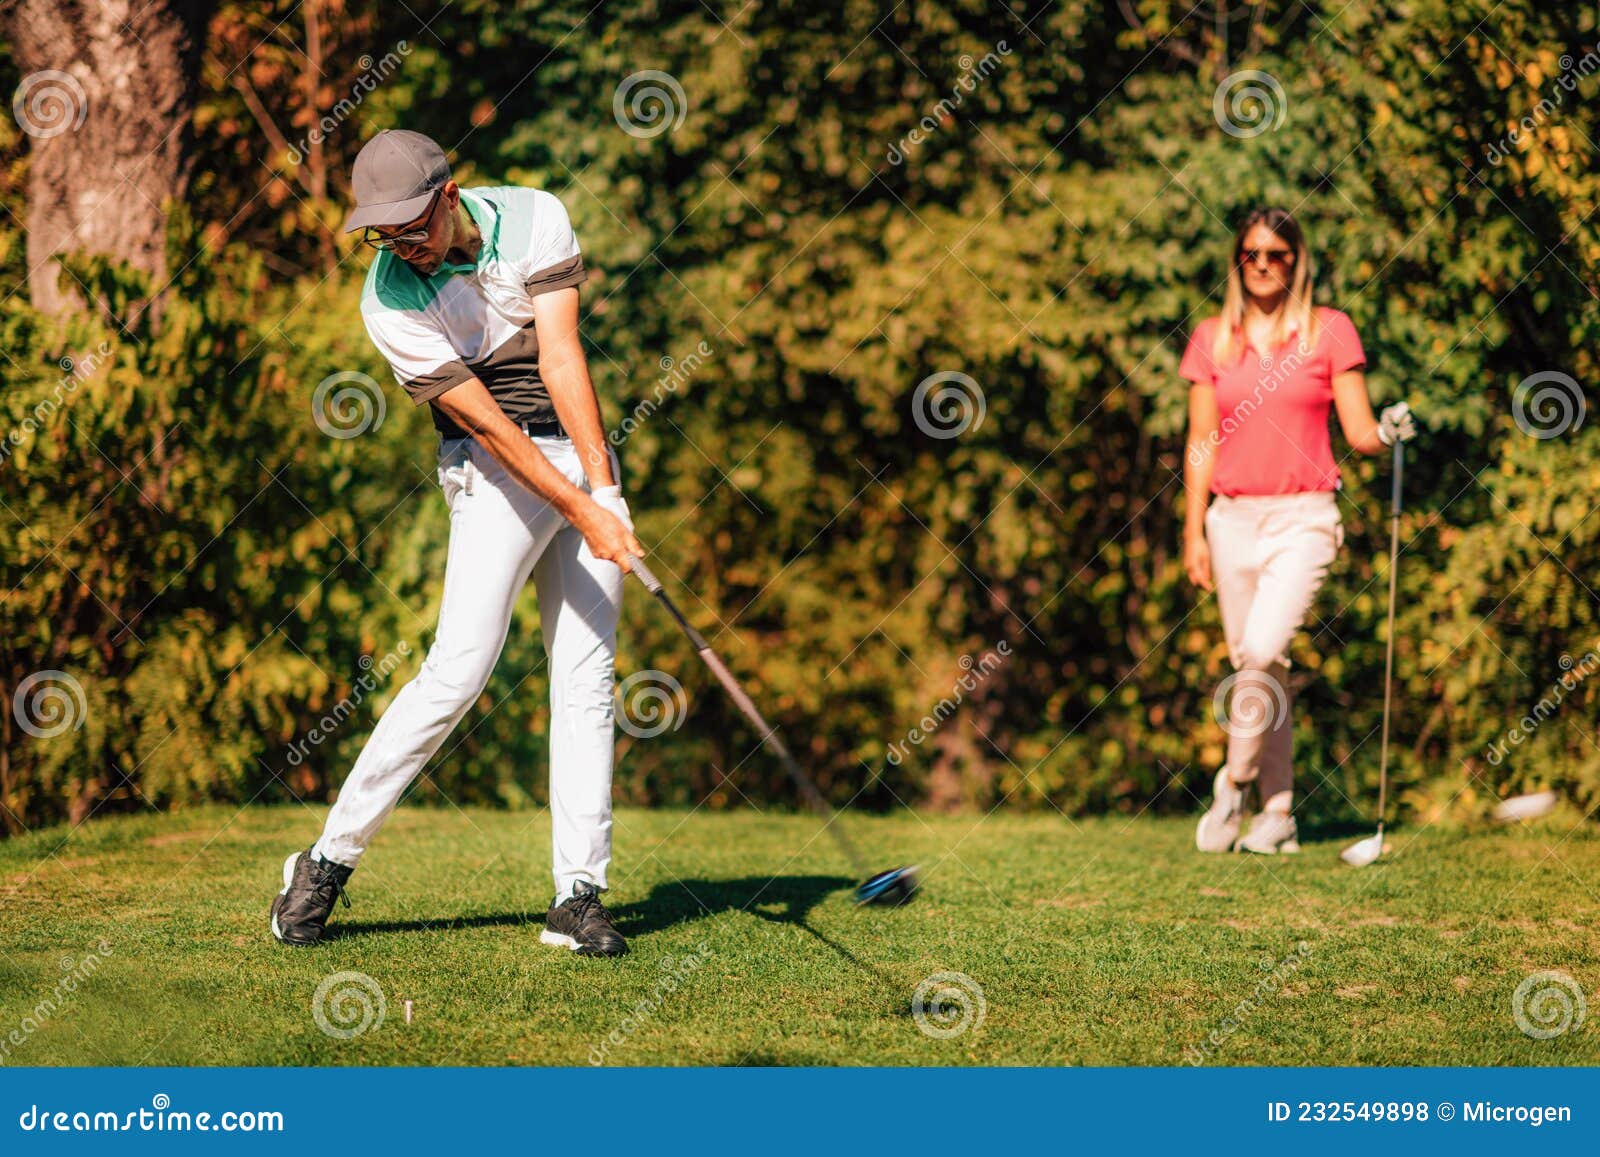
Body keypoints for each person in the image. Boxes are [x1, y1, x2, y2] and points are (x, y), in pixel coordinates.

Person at [269, 129, 644, 954]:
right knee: (457, 672)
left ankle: (576, 896)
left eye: (413, 225)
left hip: (580, 452)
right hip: (491, 470)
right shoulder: (388, 299)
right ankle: (326, 861)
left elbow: (561, 357)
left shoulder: (535, 217)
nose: (402, 244)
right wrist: (583, 512)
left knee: (585, 676)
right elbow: (491, 427)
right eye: (384, 232)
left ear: (449, 195)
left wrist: (604, 489)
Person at [1181, 206, 1416, 854]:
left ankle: (1233, 781)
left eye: (1276, 254)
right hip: (1230, 518)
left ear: (1296, 261)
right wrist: (1192, 529)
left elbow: (1361, 430)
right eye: (1251, 253)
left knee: (1257, 652)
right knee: (1263, 666)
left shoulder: (1330, 332)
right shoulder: (1211, 338)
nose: (1262, 263)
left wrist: (1388, 432)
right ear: (1237, 261)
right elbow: (1201, 440)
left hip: (1305, 517)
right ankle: (1278, 813)